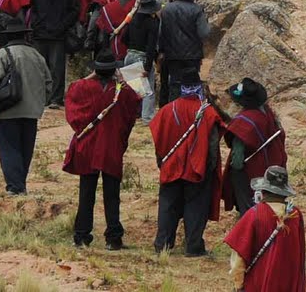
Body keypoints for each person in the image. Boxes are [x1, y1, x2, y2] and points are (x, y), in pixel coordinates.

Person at [64, 53, 139, 249]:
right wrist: (122, 80)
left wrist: (91, 75)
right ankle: (113, 238)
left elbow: (71, 94)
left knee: (86, 193)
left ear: (95, 70)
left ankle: (81, 236)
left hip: (88, 145)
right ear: (114, 70)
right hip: (111, 146)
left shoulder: (82, 88)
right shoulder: (123, 92)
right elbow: (134, 108)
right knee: (112, 194)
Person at [150, 67, 223, 255]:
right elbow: (213, 145)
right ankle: (193, 246)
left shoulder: (167, 110)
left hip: (170, 165)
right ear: (199, 87)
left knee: (168, 206)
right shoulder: (208, 113)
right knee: (196, 207)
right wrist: (209, 169)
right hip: (197, 167)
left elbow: (159, 140)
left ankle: (163, 244)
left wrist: (162, 163)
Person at [0, 18, 51, 195]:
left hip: (8, 108)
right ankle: (20, 184)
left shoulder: (2, 55)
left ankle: (15, 186)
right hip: (32, 110)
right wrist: (39, 102)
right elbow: (48, 83)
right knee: (25, 149)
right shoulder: (37, 55)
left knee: (9, 148)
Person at [224, 165, 306, 292]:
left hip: (258, 284)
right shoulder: (295, 215)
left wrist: (238, 284)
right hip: (289, 283)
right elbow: (300, 257)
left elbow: (239, 259)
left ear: (263, 190)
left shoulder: (254, 214)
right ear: (284, 193)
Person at [221, 77, 288, 211]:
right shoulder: (268, 113)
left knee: (249, 210)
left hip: (250, 175)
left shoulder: (243, 122)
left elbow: (237, 160)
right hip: (271, 171)